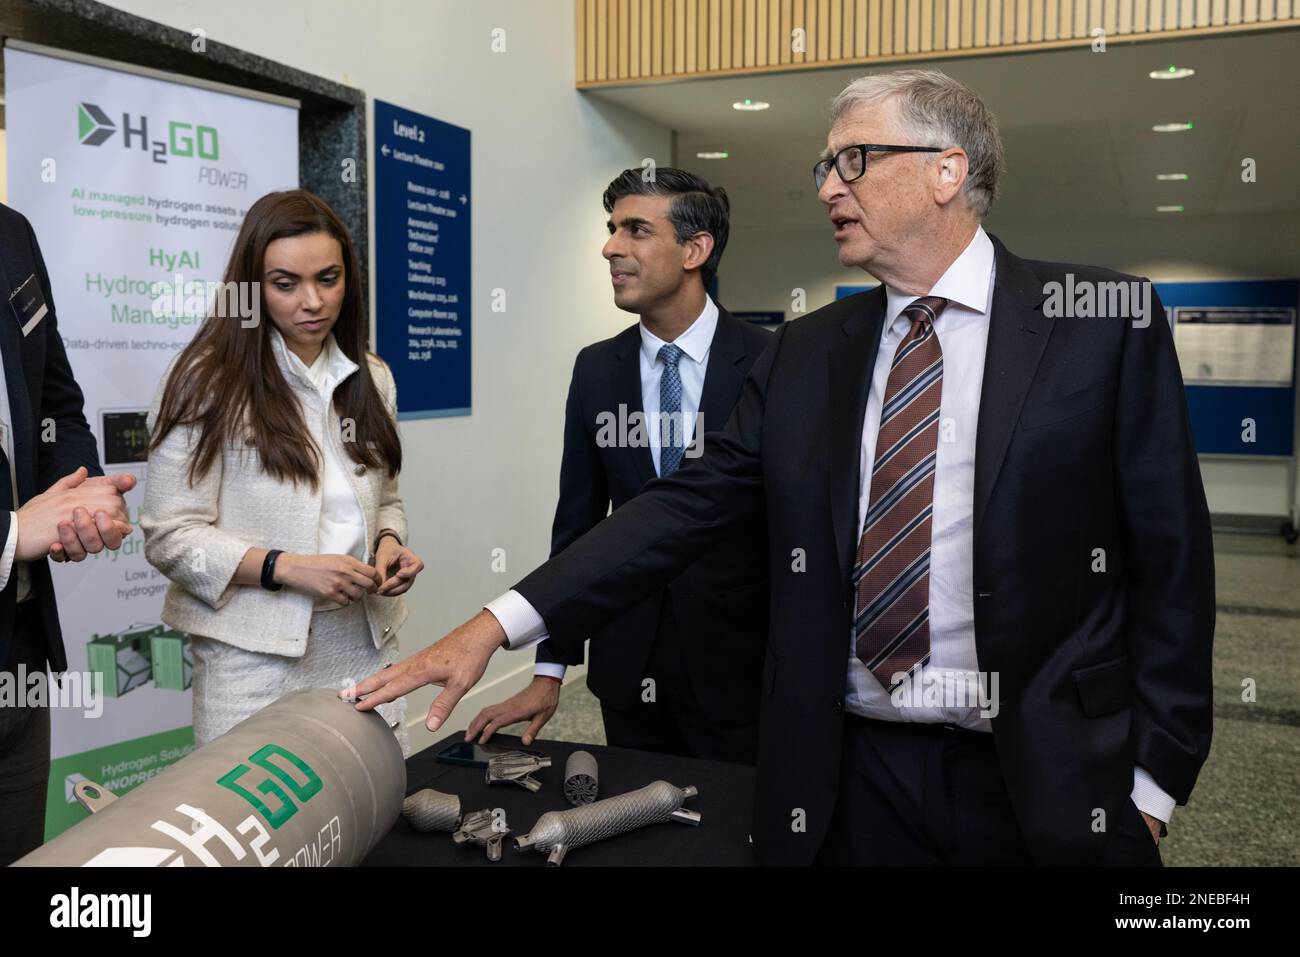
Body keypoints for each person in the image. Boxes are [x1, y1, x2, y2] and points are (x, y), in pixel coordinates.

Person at [349, 69, 1215, 866]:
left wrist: (1154, 786)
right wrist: (498, 626)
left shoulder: (1102, 325)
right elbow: (679, 506)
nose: (828, 186)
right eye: (825, 165)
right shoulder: (807, 353)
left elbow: (1171, 566)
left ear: (948, 171)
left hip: (1044, 771)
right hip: (844, 773)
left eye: (855, 160)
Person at [466, 169, 771, 764]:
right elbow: (577, 524)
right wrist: (550, 669)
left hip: (741, 665)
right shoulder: (597, 369)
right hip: (628, 659)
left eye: (635, 229)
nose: (611, 247)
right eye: (611, 230)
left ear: (695, 249)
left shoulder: (771, 360)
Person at [143, 189, 422, 753]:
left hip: (364, 644)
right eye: (285, 284)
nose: (313, 302)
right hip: (253, 659)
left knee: (366, 822)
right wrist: (288, 567)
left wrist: (391, 541)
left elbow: (385, 498)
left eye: (328, 278)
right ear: (252, 287)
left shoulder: (372, 377)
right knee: (252, 830)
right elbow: (170, 536)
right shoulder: (206, 381)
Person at [0, 201, 136, 866]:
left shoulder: (12, 233)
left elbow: (55, 400)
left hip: (18, 657)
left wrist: (83, 493)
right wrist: (10, 534)